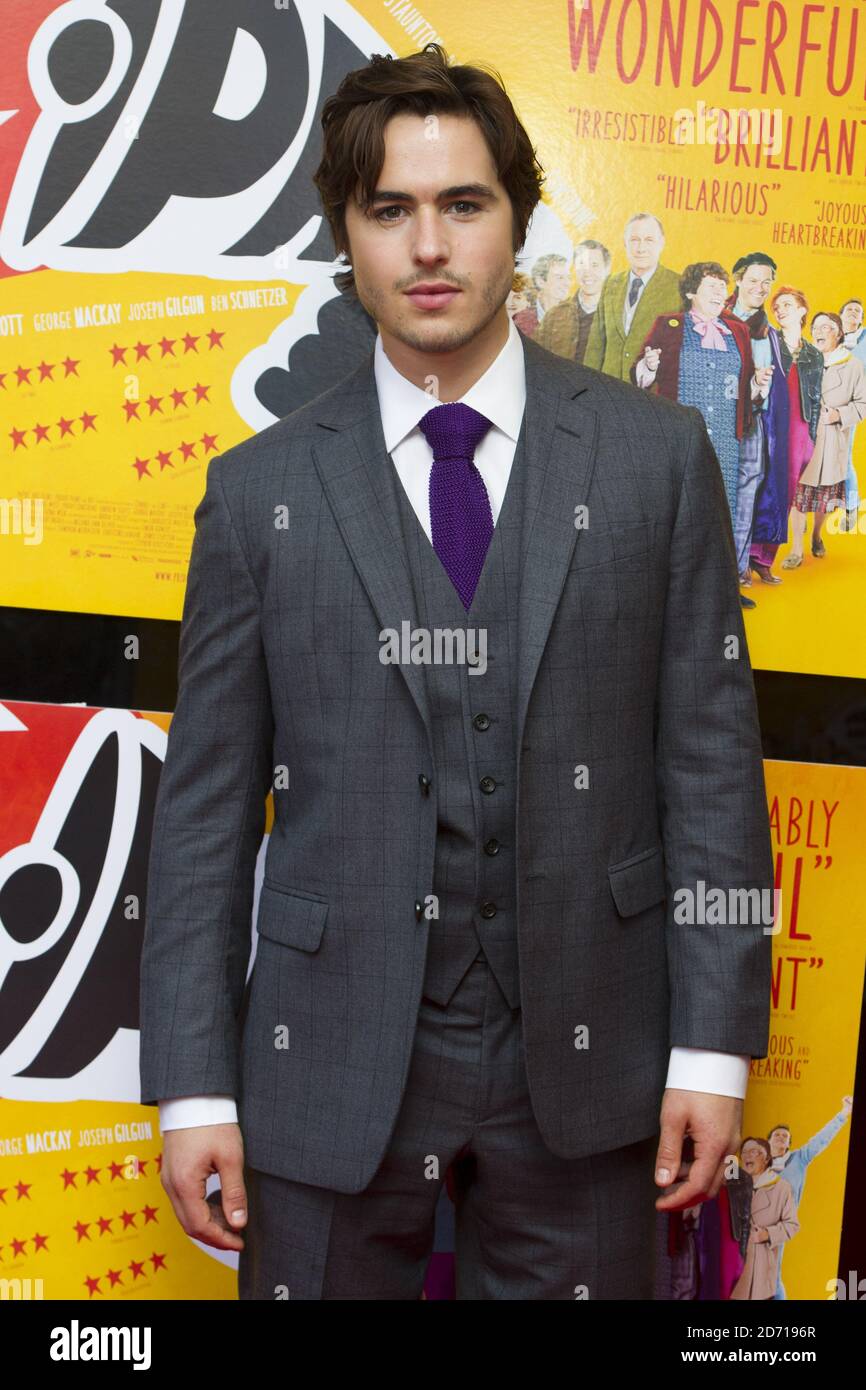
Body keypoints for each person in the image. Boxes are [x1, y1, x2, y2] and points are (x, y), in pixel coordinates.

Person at [139, 42, 774, 1302]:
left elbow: (708, 769)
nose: (428, 245)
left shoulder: (654, 464)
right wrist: (196, 1084)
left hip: (592, 1069)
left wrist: (710, 1052)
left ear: (517, 223)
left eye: (463, 204)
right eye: (390, 209)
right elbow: (205, 810)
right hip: (323, 1063)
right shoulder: (256, 494)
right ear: (348, 231)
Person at [631, 261, 760, 609]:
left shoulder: (737, 331)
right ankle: (669, 593)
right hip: (681, 437)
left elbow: (743, 387)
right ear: (691, 292)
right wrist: (651, 365)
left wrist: (757, 384)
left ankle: (722, 591)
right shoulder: (669, 324)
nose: (720, 294)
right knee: (679, 510)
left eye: (722, 288)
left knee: (724, 512)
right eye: (711, 288)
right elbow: (640, 376)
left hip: (726, 440)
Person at [748, 287, 823, 583]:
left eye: (787, 305)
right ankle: (751, 553)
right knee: (762, 485)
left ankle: (765, 558)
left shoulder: (814, 354)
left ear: (803, 310)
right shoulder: (768, 340)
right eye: (776, 306)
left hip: (800, 428)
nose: (780, 310)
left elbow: (815, 398)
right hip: (770, 420)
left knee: (785, 492)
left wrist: (813, 437)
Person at [783, 311, 866, 568]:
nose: (820, 331)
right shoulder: (803, 360)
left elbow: (862, 404)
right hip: (803, 437)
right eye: (816, 327)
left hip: (832, 439)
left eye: (827, 327)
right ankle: (796, 548)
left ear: (839, 333)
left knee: (823, 498)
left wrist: (839, 414)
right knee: (798, 494)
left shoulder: (853, 366)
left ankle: (817, 535)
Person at [725, 254, 786, 600]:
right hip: (720, 421)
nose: (759, 288)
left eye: (767, 282)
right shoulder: (718, 317)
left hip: (754, 423)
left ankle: (738, 568)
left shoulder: (769, 331)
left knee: (748, 494)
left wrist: (761, 387)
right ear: (738, 280)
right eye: (753, 280)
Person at [766, 1098, 852, 1299]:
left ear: (789, 1143)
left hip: (778, 1228)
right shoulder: (757, 1162)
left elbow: (820, 1140)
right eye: (777, 1135)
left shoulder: (799, 1159)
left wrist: (844, 1113)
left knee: (772, 1277)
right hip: (752, 1226)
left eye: (785, 1136)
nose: (780, 1137)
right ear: (768, 1140)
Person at [583, 212, 681, 380]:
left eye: (649, 240)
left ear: (662, 243)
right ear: (625, 244)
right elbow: (596, 346)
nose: (641, 248)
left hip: (651, 396)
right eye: (634, 240)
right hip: (608, 390)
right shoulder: (610, 283)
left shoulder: (678, 287)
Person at [729, 1139, 798, 1301]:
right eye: (745, 1152)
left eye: (754, 1152)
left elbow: (792, 1225)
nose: (748, 1156)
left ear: (767, 1158)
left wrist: (767, 1234)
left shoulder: (781, 1188)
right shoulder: (731, 1186)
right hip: (733, 1270)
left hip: (761, 1275)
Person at [535, 238, 611, 363]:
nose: (588, 273)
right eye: (581, 264)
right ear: (574, 268)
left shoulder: (617, 315)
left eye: (595, 265)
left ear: (606, 269)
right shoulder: (555, 315)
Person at [839, 298, 866, 529]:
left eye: (858, 311)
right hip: (825, 405)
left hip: (851, 406)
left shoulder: (864, 340)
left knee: (844, 457)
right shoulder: (831, 334)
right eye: (850, 309)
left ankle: (851, 508)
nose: (854, 313)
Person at [512, 252, 570, 337]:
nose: (567, 283)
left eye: (568, 277)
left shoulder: (573, 317)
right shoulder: (520, 320)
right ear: (540, 282)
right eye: (559, 277)